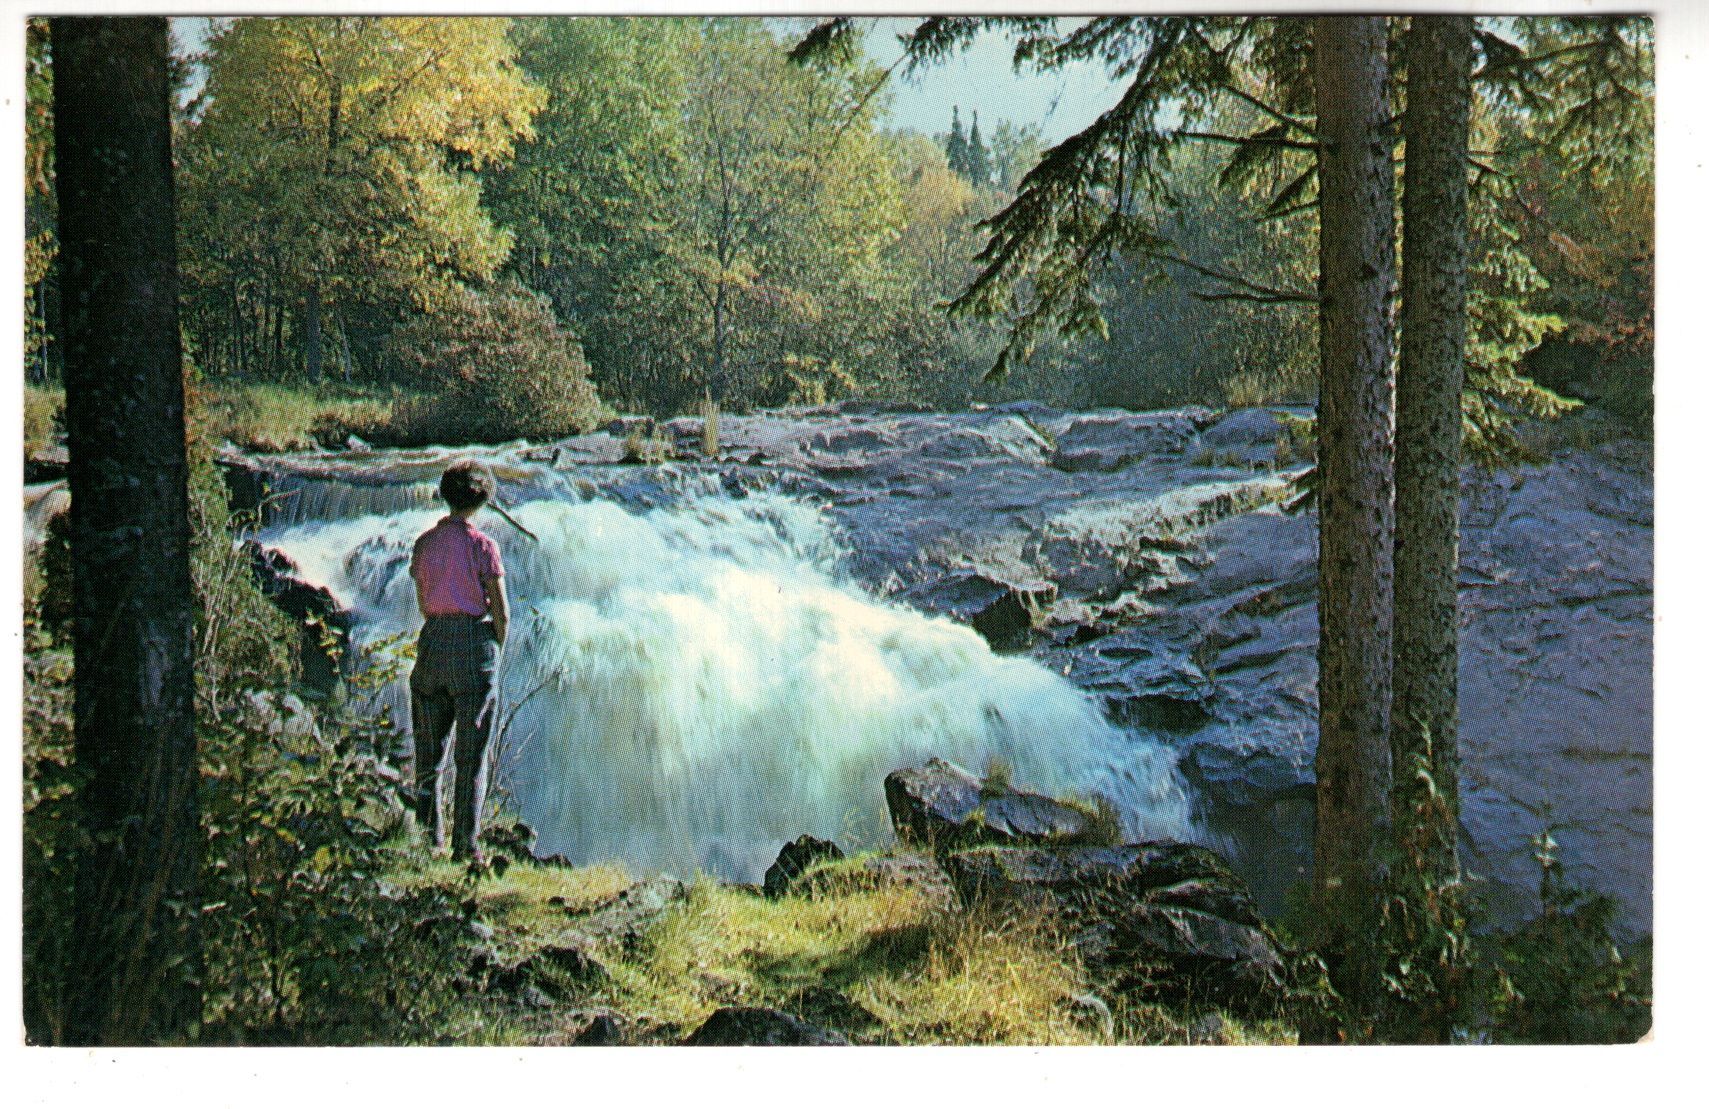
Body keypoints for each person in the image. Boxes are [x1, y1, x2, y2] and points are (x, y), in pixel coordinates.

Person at [409, 460, 509, 863]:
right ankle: (465, 846)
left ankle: (426, 840)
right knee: (470, 756)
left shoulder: (424, 544)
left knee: (428, 753)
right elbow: (501, 612)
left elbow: (423, 603)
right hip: (473, 644)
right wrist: (495, 647)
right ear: (483, 499)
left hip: (432, 641)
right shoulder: (483, 547)